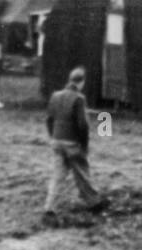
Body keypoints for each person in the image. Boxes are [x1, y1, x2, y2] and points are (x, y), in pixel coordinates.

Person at [43, 67, 107, 223]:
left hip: (57, 141)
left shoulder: (55, 96)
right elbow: (82, 125)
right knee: (82, 172)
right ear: (81, 82)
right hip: (72, 142)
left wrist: (53, 137)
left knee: (58, 176)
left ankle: (50, 208)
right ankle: (94, 202)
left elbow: (49, 120)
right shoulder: (79, 98)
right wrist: (84, 145)